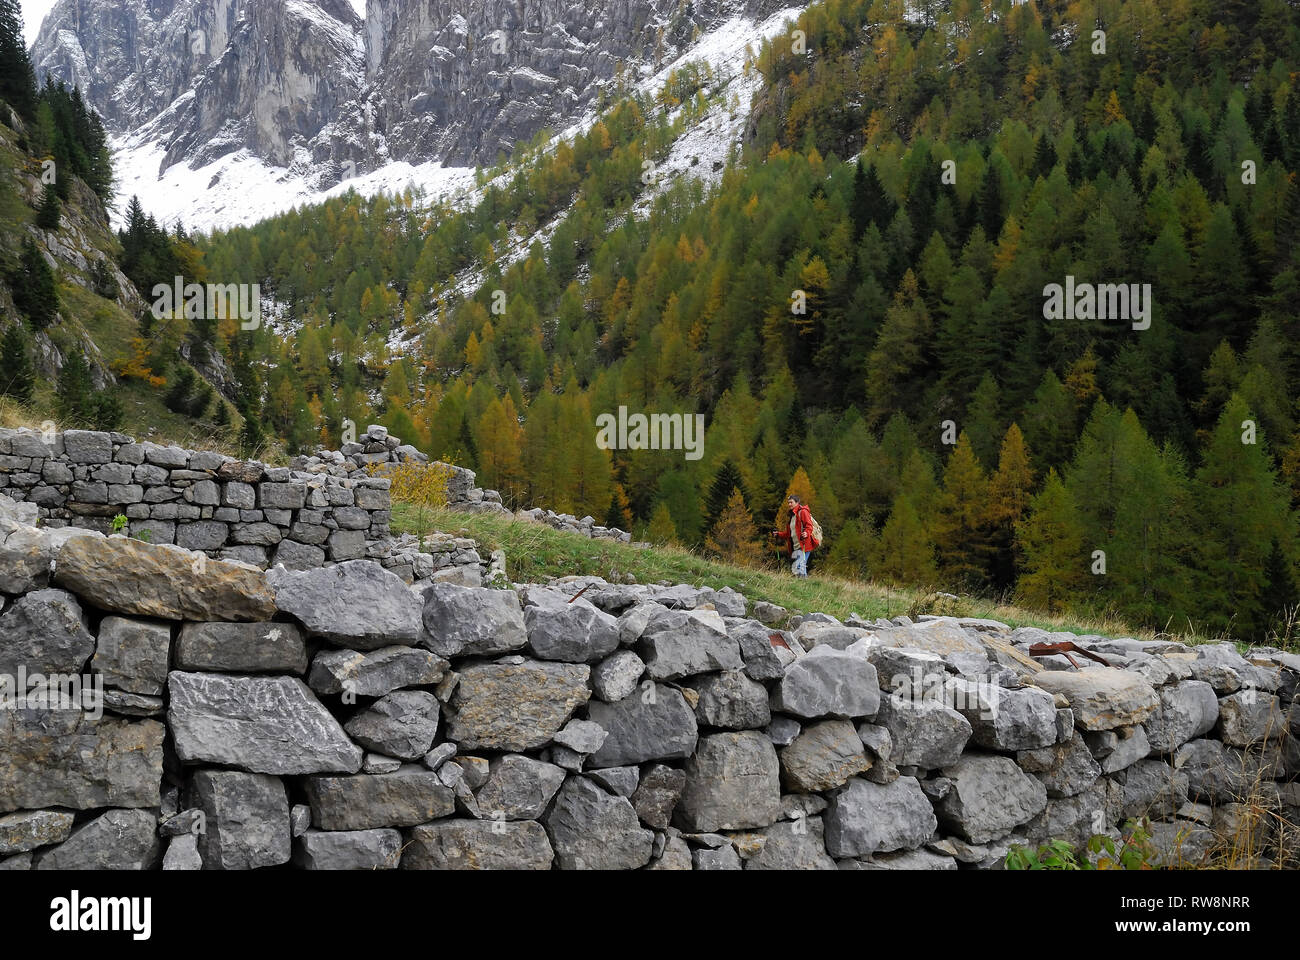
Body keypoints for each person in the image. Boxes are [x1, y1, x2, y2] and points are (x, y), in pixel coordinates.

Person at [773, 495, 816, 577]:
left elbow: (809, 526)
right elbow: (789, 534)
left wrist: (806, 533)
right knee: (799, 567)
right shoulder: (792, 516)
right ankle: (805, 586)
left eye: (791, 502)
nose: (789, 504)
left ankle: (804, 586)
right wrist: (778, 534)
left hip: (804, 545)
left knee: (799, 567)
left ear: (797, 502)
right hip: (796, 546)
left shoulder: (802, 512)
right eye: (788, 503)